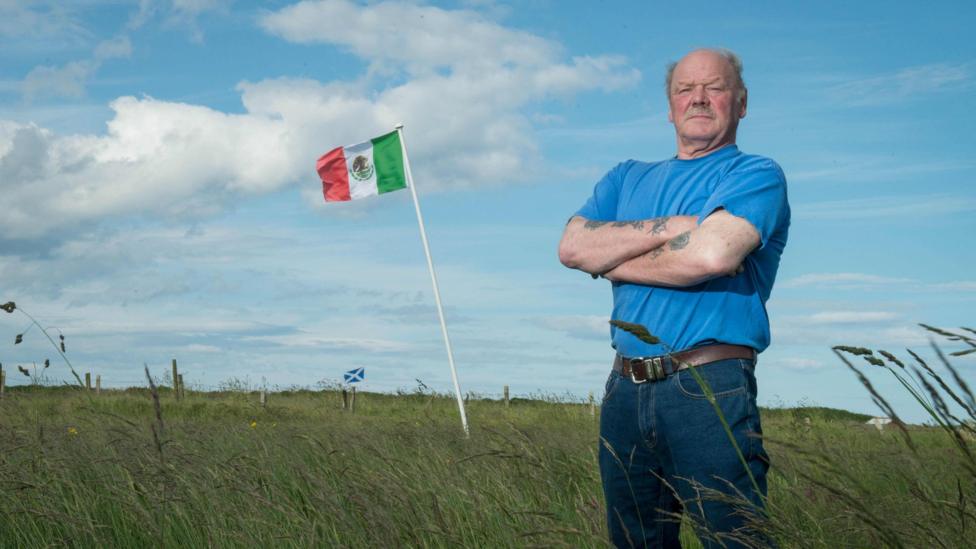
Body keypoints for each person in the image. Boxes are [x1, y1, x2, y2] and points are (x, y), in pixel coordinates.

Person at [558, 48, 790, 548]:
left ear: (741, 102)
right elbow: (572, 247)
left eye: (715, 87)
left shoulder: (755, 174)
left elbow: (711, 255)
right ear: (670, 107)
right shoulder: (626, 176)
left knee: (734, 540)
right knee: (635, 541)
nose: (698, 98)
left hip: (708, 383)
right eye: (685, 89)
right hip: (623, 389)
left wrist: (609, 259)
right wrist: (678, 227)